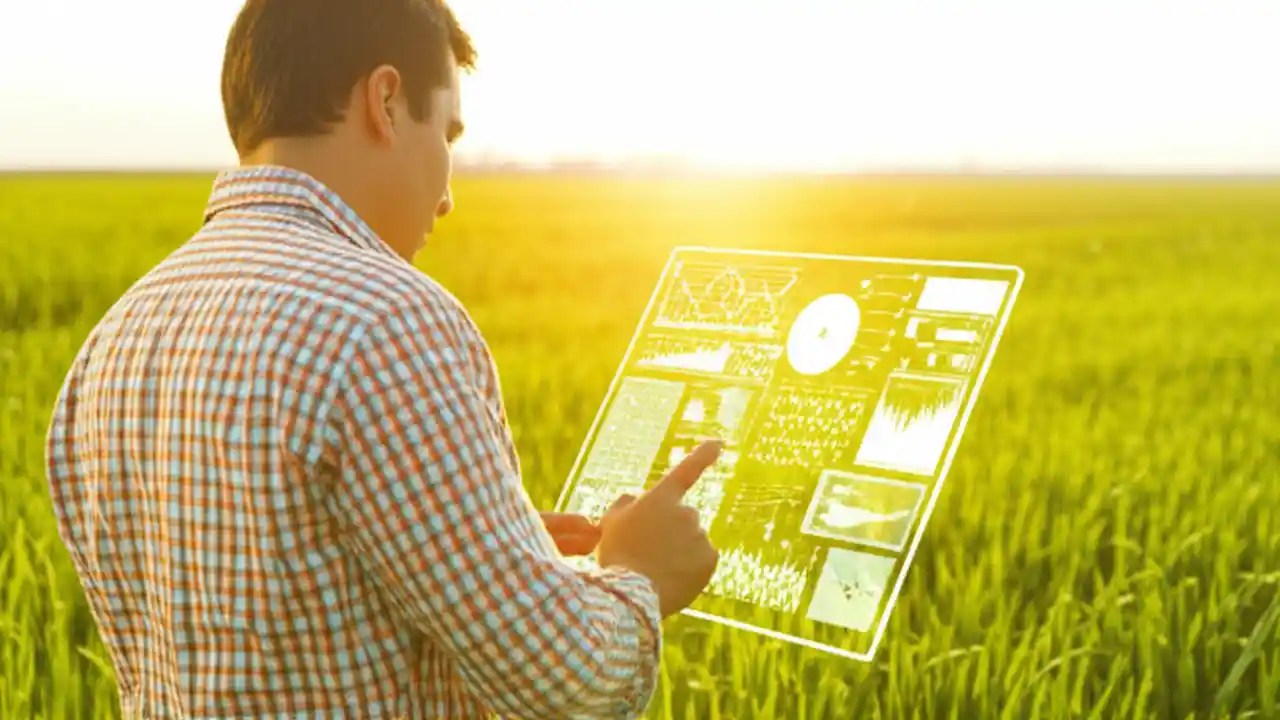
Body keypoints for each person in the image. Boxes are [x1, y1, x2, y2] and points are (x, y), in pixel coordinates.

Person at [43, 1, 721, 717]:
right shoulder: (386, 320)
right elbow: (566, 683)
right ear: (387, 101)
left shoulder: (115, 337)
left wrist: (502, 554)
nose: (449, 195)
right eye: (447, 132)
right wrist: (638, 572)